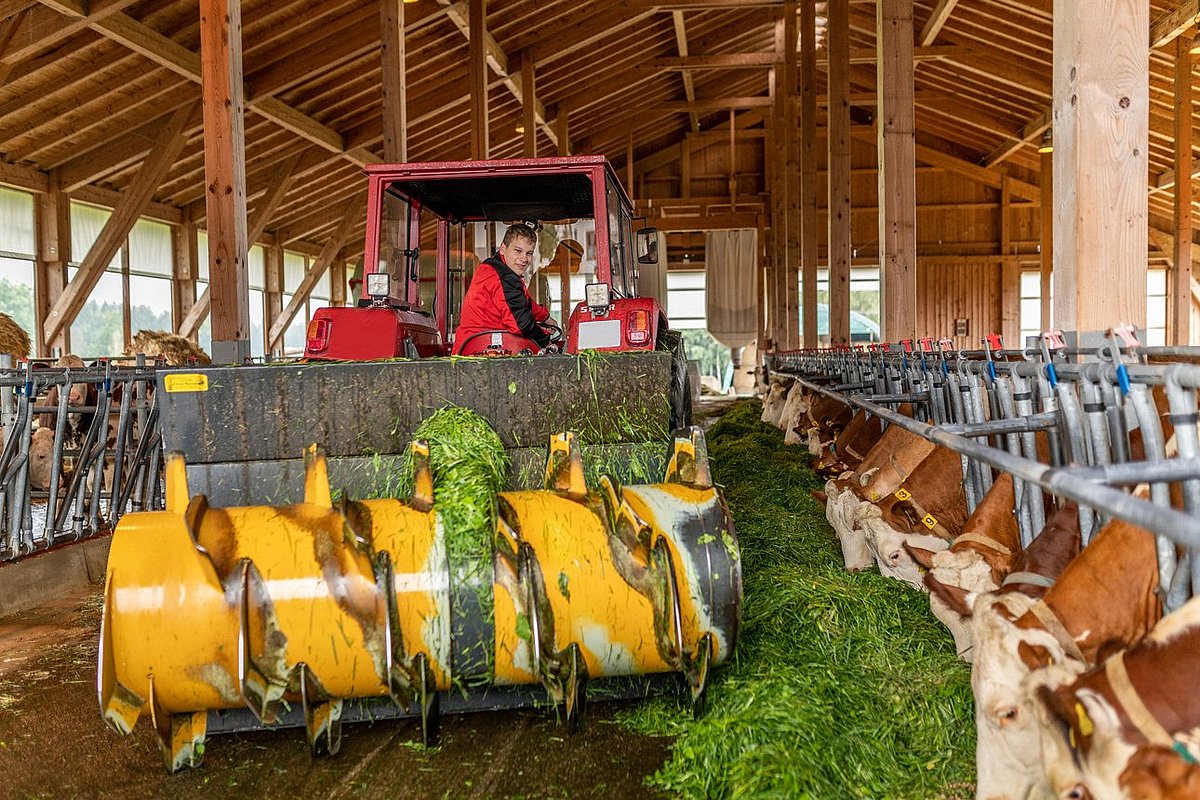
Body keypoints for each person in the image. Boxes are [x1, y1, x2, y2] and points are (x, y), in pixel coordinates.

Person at [453, 223, 558, 354]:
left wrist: (545, 317)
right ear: (503, 248)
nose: (524, 258)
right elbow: (521, 325)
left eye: (529, 253)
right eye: (518, 251)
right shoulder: (504, 277)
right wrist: (545, 339)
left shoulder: (495, 269)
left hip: (475, 346)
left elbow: (523, 302)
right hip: (481, 350)